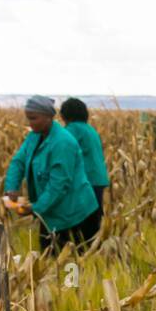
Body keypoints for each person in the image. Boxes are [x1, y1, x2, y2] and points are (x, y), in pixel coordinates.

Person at [3, 95, 100, 253]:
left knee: (77, 264)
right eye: (28, 118)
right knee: (49, 261)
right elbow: (18, 161)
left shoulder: (63, 142)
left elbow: (59, 185)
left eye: (34, 118)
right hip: (52, 212)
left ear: (49, 116)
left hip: (76, 214)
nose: (30, 123)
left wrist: (35, 208)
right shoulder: (34, 136)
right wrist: (12, 187)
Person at [59, 97, 109, 239]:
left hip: (84, 181)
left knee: (80, 224)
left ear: (64, 115)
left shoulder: (72, 129)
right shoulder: (90, 130)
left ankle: (81, 253)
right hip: (98, 179)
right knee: (94, 221)